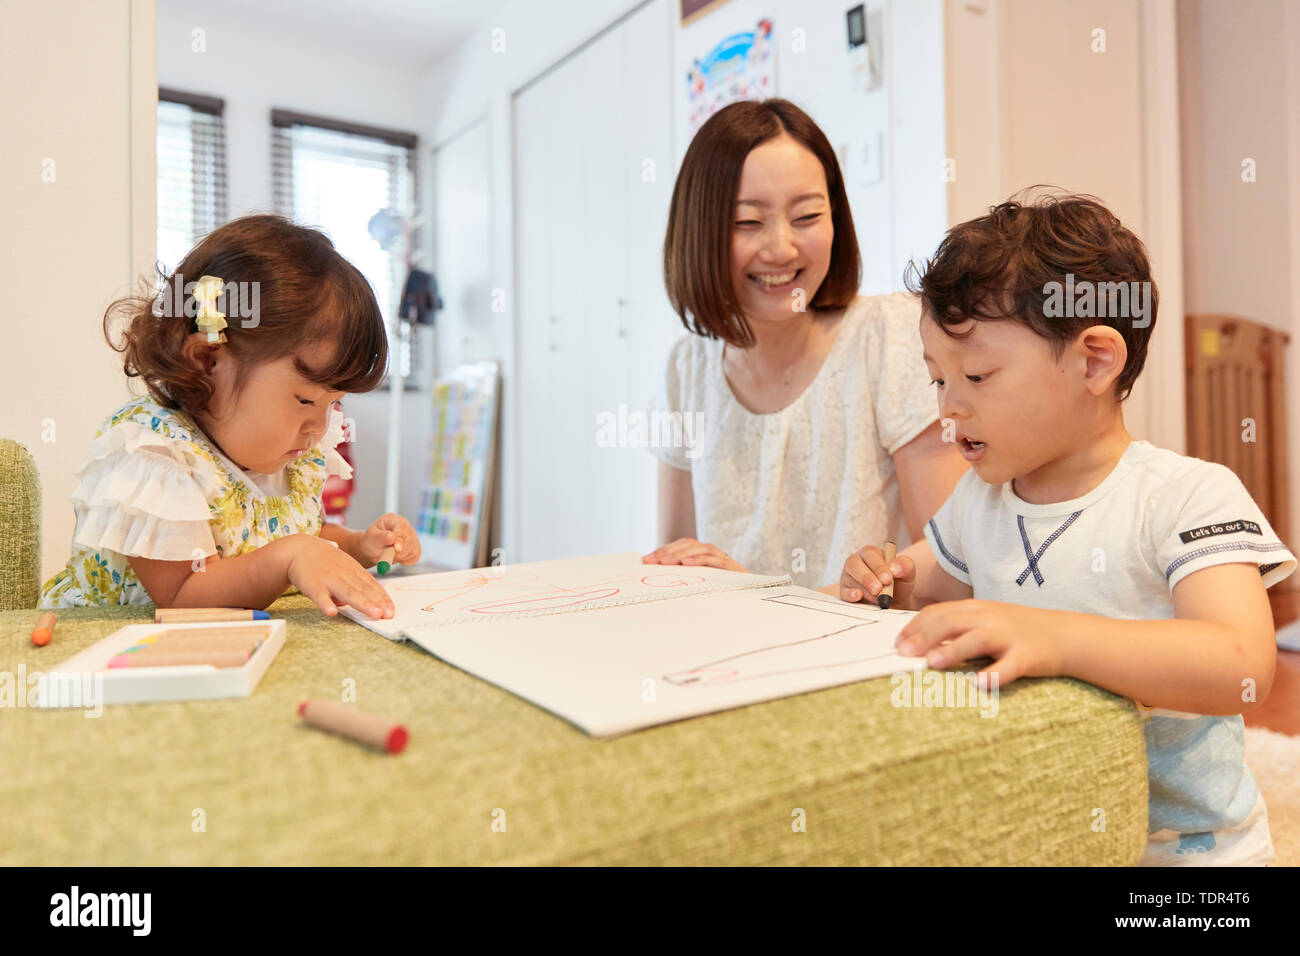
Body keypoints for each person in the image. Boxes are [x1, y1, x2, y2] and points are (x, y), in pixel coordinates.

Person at [837, 192, 1295, 865]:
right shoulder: (978, 502)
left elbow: (1242, 666)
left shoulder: (1188, 496)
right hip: (1046, 838)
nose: (950, 408)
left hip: (1186, 857)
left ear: (1095, 361)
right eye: (938, 381)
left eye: (977, 376)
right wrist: (878, 581)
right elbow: (915, 591)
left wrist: (1054, 637)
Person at [643, 98, 966, 588]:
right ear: (699, 232)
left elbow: (951, 563)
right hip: (729, 654)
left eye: (807, 216)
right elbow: (675, 566)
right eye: (747, 222)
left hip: (864, 651)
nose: (781, 248)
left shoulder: (890, 337)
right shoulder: (687, 368)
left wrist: (758, 598)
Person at [39, 215, 420, 618]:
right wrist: (290, 557)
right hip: (116, 647)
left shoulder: (288, 452)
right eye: (305, 401)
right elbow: (183, 594)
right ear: (208, 361)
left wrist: (359, 545)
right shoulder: (155, 456)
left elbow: (304, 534)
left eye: (334, 404)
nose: (319, 427)